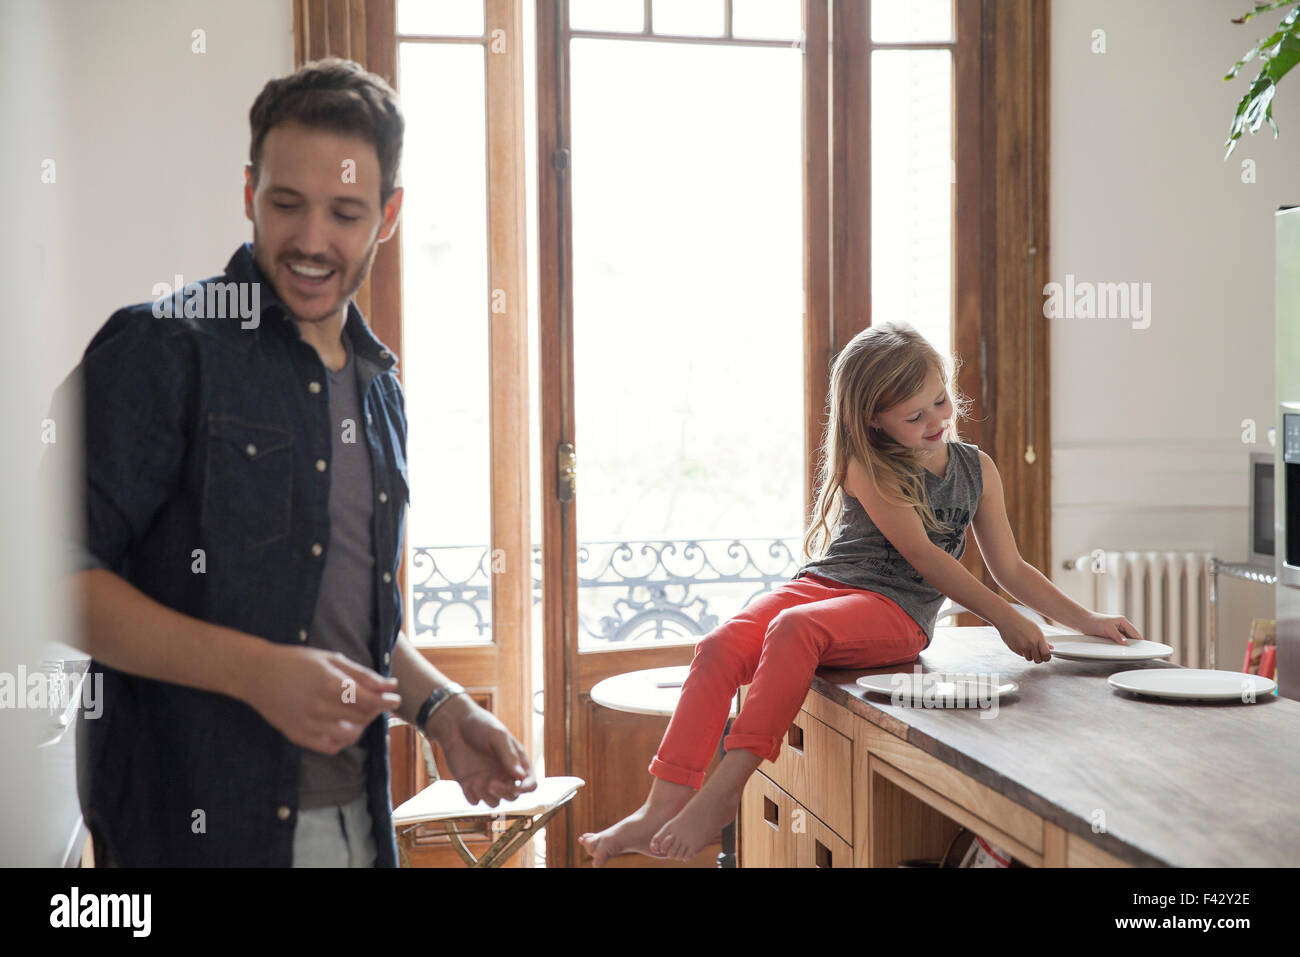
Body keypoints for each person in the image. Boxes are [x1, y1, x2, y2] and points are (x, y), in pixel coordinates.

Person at [48, 57, 535, 867]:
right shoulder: (162, 349)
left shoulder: (382, 393)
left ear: (389, 215)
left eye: (345, 213)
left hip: (357, 827)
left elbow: (352, 622)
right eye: (286, 205)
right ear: (249, 193)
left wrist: (442, 710)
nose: (311, 241)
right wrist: (257, 672)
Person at [579, 320, 1141, 866]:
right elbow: (923, 552)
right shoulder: (867, 464)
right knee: (720, 644)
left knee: (796, 629)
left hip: (897, 612)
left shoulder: (977, 469)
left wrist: (1085, 619)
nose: (935, 421)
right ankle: (662, 804)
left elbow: (1011, 568)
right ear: (874, 420)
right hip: (824, 585)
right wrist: (1001, 618)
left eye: (940, 402)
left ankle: (726, 787)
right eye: (913, 415)